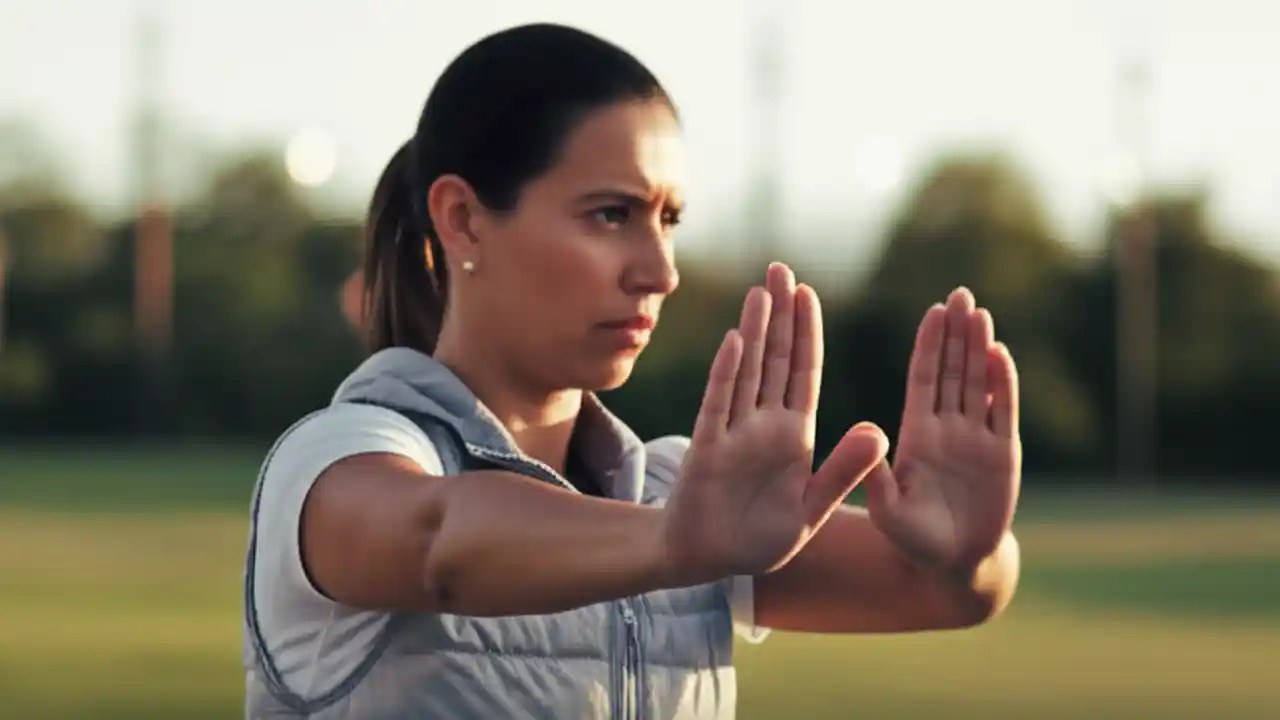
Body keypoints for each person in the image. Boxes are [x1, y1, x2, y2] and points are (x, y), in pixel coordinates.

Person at [243, 23, 1022, 720]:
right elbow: (437, 542)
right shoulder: (336, 457)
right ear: (463, 219)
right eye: (611, 214)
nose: (660, 271)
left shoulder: (682, 496)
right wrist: (676, 543)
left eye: (669, 219)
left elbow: (944, 592)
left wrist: (966, 551)